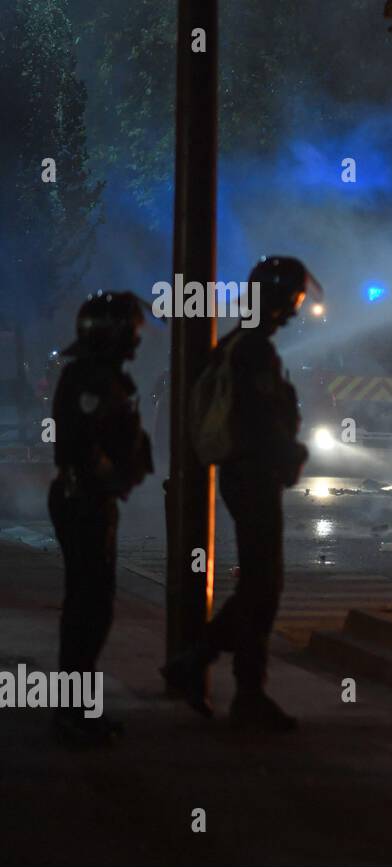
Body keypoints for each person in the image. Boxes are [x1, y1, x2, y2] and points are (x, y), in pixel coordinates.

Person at [164, 256, 318, 732]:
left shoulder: (235, 343)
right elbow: (258, 420)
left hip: (243, 475)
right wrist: (289, 452)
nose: (292, 313)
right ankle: (232, 683)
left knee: (259, 584)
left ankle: (213, 669)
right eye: (290, 302)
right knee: (262, 586)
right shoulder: (254, 351)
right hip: (252, 477)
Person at [49, 292, 154, 748]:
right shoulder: (92, 381)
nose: (136, 337)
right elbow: (83, 446)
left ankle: (75, 709)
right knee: (89, 609)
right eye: (130, 329)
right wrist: (111, 476)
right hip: (85, 500)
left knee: (89, 605)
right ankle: (73, 712)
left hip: (88, 498)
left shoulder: (96, 376)